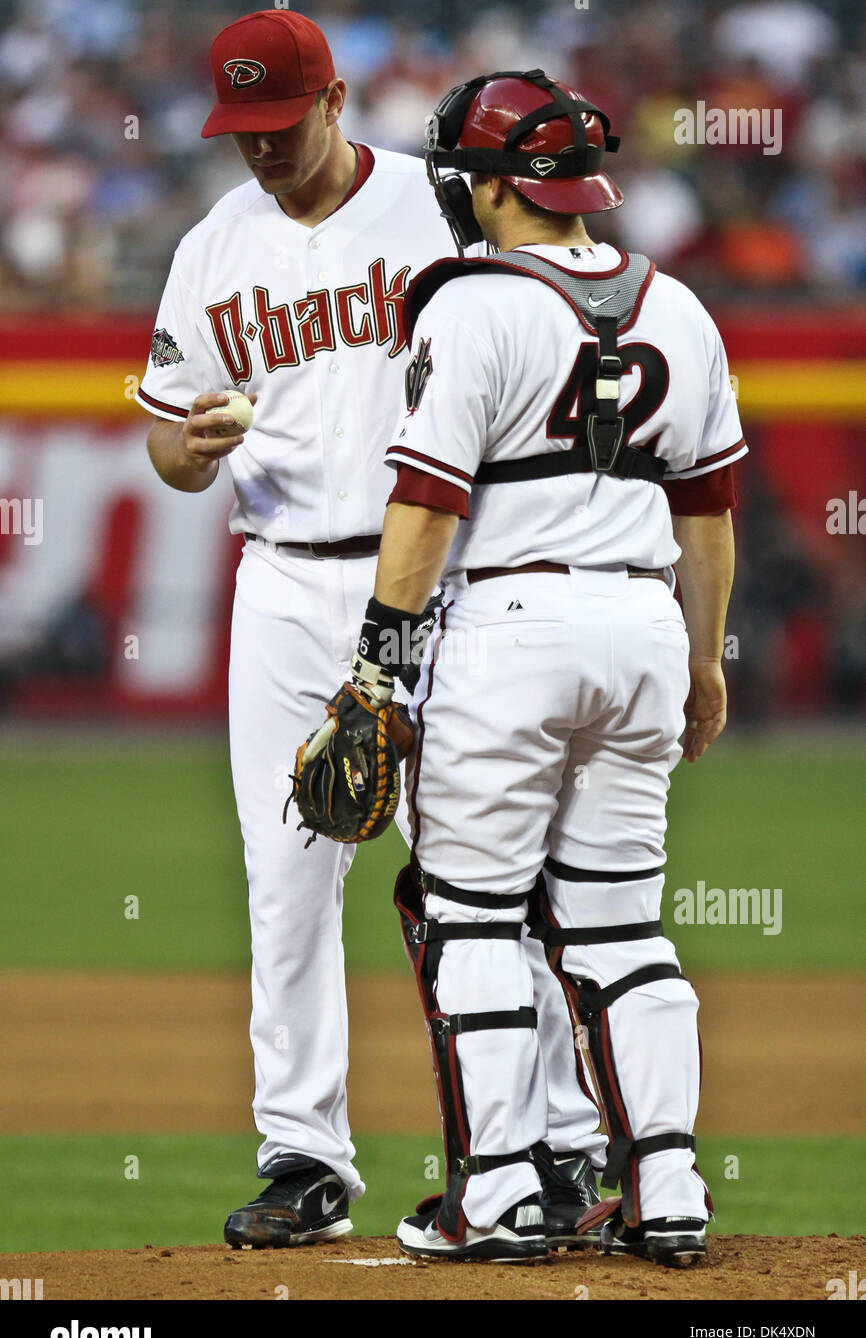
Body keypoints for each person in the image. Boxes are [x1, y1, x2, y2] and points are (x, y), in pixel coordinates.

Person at [135, 14, 603, 1249]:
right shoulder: (208, 249)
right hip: (283, 581)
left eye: (280, 127)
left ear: (335, 100)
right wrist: (182, 451)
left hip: (438, 574)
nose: (262, 153)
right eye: (241, 133)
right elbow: (165, 437)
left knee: (478, 873)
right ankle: (302, 1155)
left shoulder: (439, 211)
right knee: (284, 884)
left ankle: (554, 1139)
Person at [307, 69, 742, 1263]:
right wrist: (703, 663)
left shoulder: (470, 303)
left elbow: (425, 507)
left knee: (470, 915)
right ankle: (666, 1187)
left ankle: (496, 1190)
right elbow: (706, 516)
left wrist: (376, 668)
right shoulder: (681, 309)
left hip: (510, 628)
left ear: (493, 187)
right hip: (645, 629)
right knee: (620, 926)